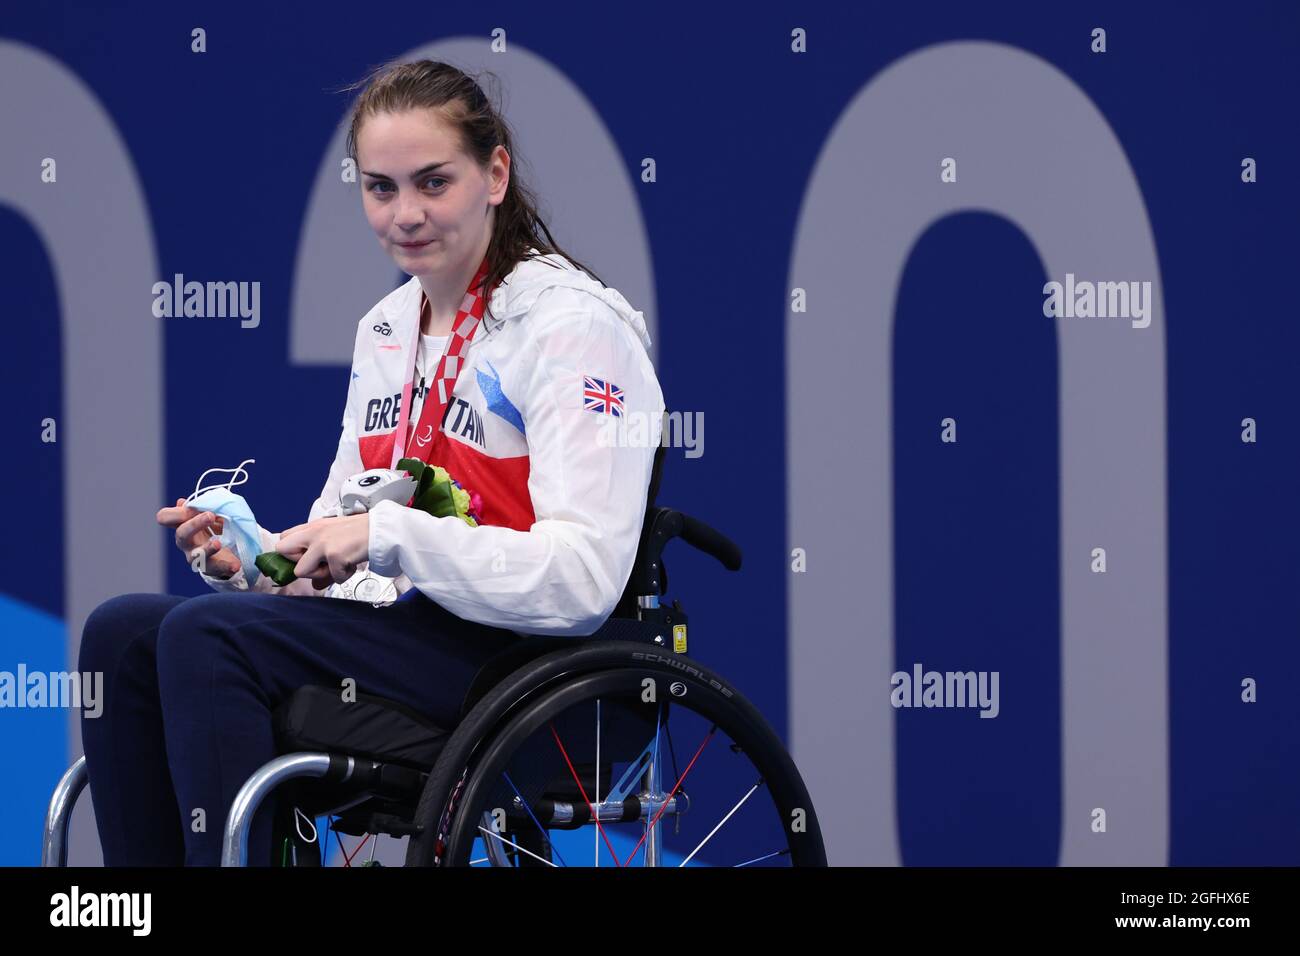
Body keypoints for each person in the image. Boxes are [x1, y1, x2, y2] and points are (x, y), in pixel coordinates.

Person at [77, 58, 665, 866]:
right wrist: (256, 562)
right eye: (381, 188)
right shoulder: (387, 328)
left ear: (494, 175)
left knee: (208, 641)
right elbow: (343, 549)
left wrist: (384, 537)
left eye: (433, 182)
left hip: (522, 657)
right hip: (406, 634)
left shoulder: (573, 328)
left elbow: (585, 581)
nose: (405, 215)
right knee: (125, 633)